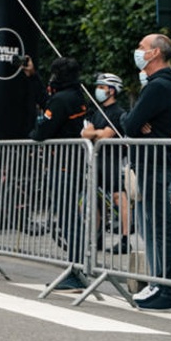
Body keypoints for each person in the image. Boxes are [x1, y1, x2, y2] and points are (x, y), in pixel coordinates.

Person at [124, 34, 171, 311]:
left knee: (159, 227)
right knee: (150, 225)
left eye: (142, 47)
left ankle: (169, 288)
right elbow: (135, 122)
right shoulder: (159, 85)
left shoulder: (159, 86)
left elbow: (129, 123)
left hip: (153, 164)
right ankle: (159, 282)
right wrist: (136, 121)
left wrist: (136, 120)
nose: (138, 51)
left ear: (155, 54)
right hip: (151, 163)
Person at [30, 56, 90, 292]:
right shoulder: (74, 95)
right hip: (71, 164)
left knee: (68, 219)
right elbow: (48, 104)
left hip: (63, 166)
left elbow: (42, 130)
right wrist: (33, 77)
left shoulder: (63, 99)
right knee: (70, 218)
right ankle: (77, 269)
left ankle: (77, 272)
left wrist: (34, 132)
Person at [81, 72, 130, 255]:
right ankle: (97, 238)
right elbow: (86, 134)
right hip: (98, 159)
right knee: (94, 199)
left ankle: (125, 238)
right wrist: (96, 133)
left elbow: (106, 135)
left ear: (111, 90)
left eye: (102, 87)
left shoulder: (118, 112)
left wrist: (95, 133)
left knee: (119, 196)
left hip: (113, 159)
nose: (98, 90)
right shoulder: (95, 111)